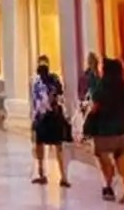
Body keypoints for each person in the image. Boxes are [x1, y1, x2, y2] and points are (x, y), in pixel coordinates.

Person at [88, 58, 124, 204]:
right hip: (122, 131)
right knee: (122, 162)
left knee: (104, 159)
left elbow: (95, 106)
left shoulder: (102, 87)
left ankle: (108, 185)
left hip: (104, 131)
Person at [30, 54, 71, 187]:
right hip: (44, 117)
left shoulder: (52, 79)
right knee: (42, 146)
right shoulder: (37, 82)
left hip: (50, 117)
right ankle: (44, 173)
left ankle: (62, 176)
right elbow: (35, 102)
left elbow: (58, 94)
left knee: (56, 146)